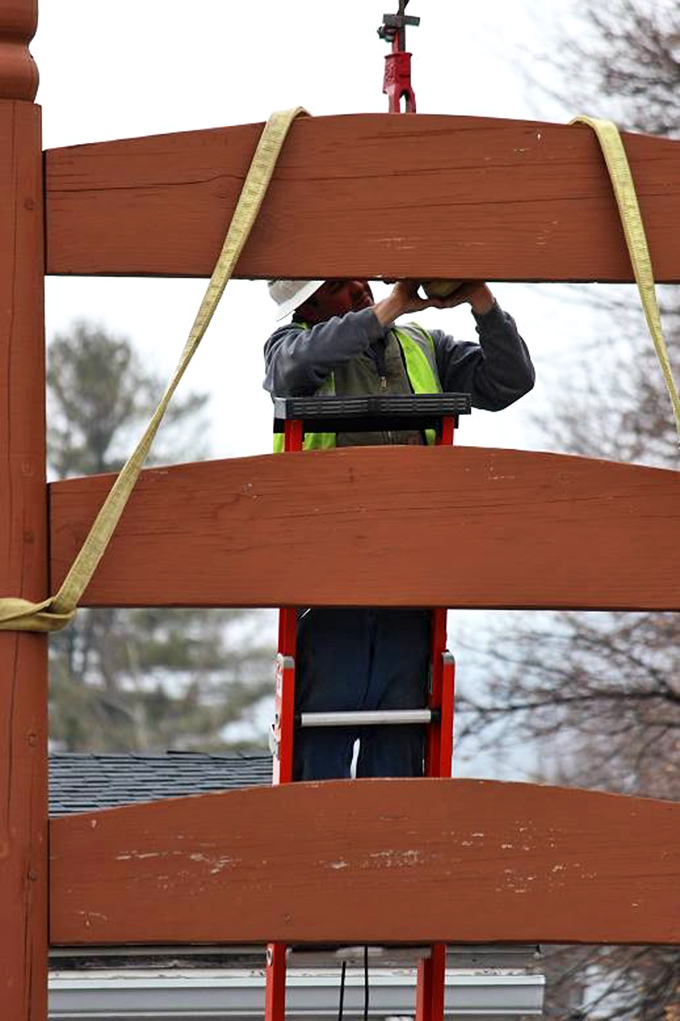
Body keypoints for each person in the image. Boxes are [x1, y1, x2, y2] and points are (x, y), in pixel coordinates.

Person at [263, 278, 535, 781]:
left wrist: (481, 300)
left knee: (400, 759)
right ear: (308, 305)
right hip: (330, 592)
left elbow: (509, 381)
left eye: (357, 277)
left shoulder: (425, 347)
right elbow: (291, 370)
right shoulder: (289, 350)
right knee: (319, 759)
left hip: (410, 586)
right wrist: (390, 307)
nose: (359, 289)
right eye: (338, 288)